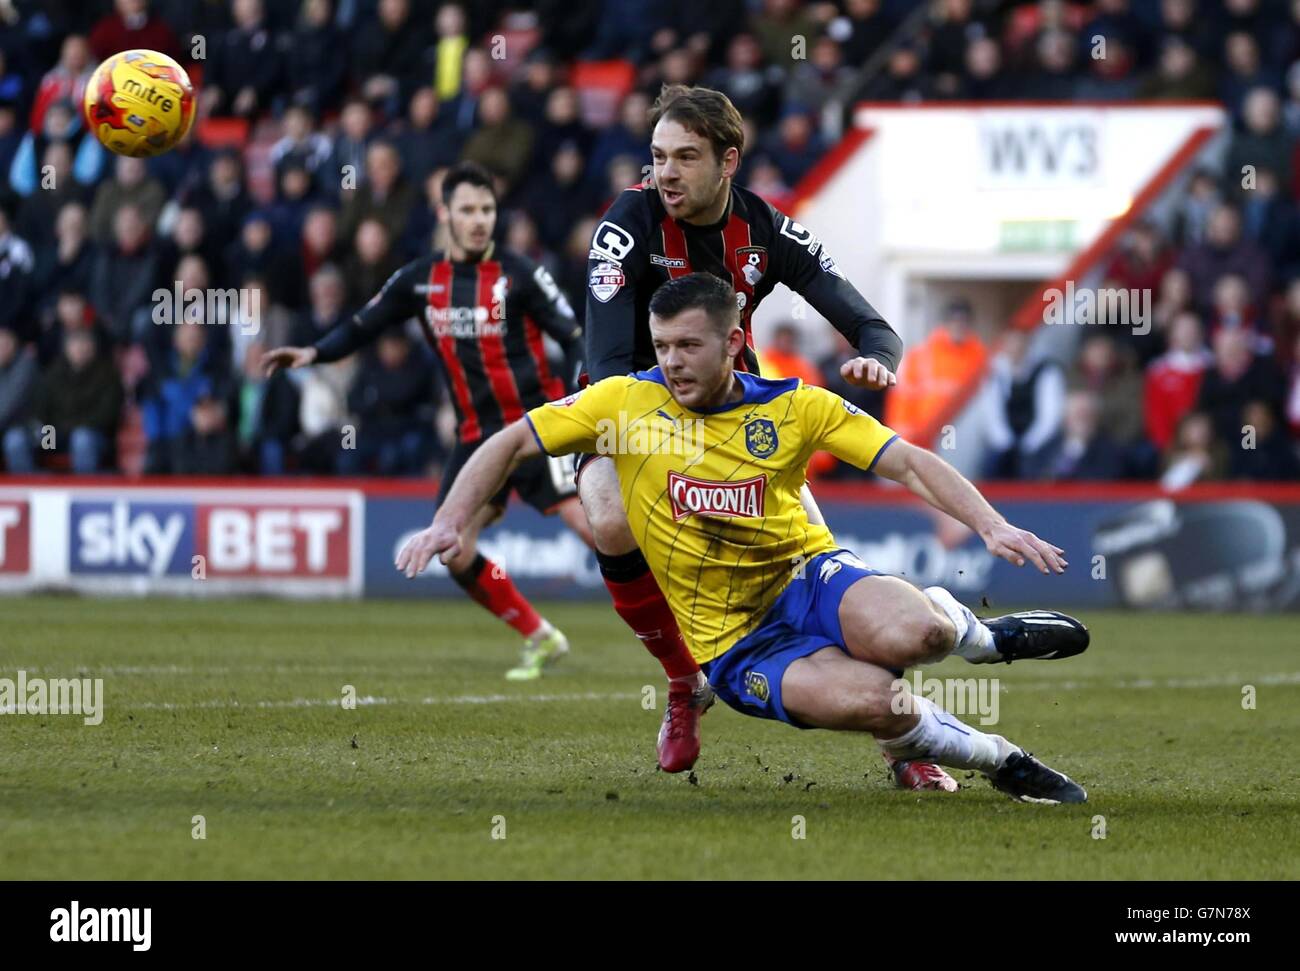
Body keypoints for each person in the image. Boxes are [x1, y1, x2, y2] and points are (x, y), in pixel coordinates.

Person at [397, 274, 1090, 804]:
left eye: (688, 345)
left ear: (732, 343)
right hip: (736, 643)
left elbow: (907, 458)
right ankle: (1003, 759)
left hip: (809, 579)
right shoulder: (622, 403)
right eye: (662, 346)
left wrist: (991, 522)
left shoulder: (793, 407)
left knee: (923, 636)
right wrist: (449, 521)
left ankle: (978, 635)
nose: (672, 362)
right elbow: (513, 438)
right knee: (881, 702)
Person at [579, 83, 916, 781]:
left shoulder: (767, 230)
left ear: (728, 161)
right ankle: (683, 681)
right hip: (633, 414)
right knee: (607, 510)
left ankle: (905, 743)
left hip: (739, 415)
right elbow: (606, 365)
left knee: (828, 564)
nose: (664, 173)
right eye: (656, 156)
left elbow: (873, 326)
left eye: (684, 157)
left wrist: (875, 362)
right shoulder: (627, 224)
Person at [263, 162, 593, 680]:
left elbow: (575, 334)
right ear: (445, 214)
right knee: (455, 551)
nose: (480, 219)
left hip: (537, 428)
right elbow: (363, 324)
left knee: (595, 530)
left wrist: (582, 381)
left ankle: (691, 632)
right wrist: (313, 353)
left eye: (487, 209)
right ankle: (541, 637)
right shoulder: (420, 281)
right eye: (467, 210)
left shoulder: (521, 273)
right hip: (474, 439)